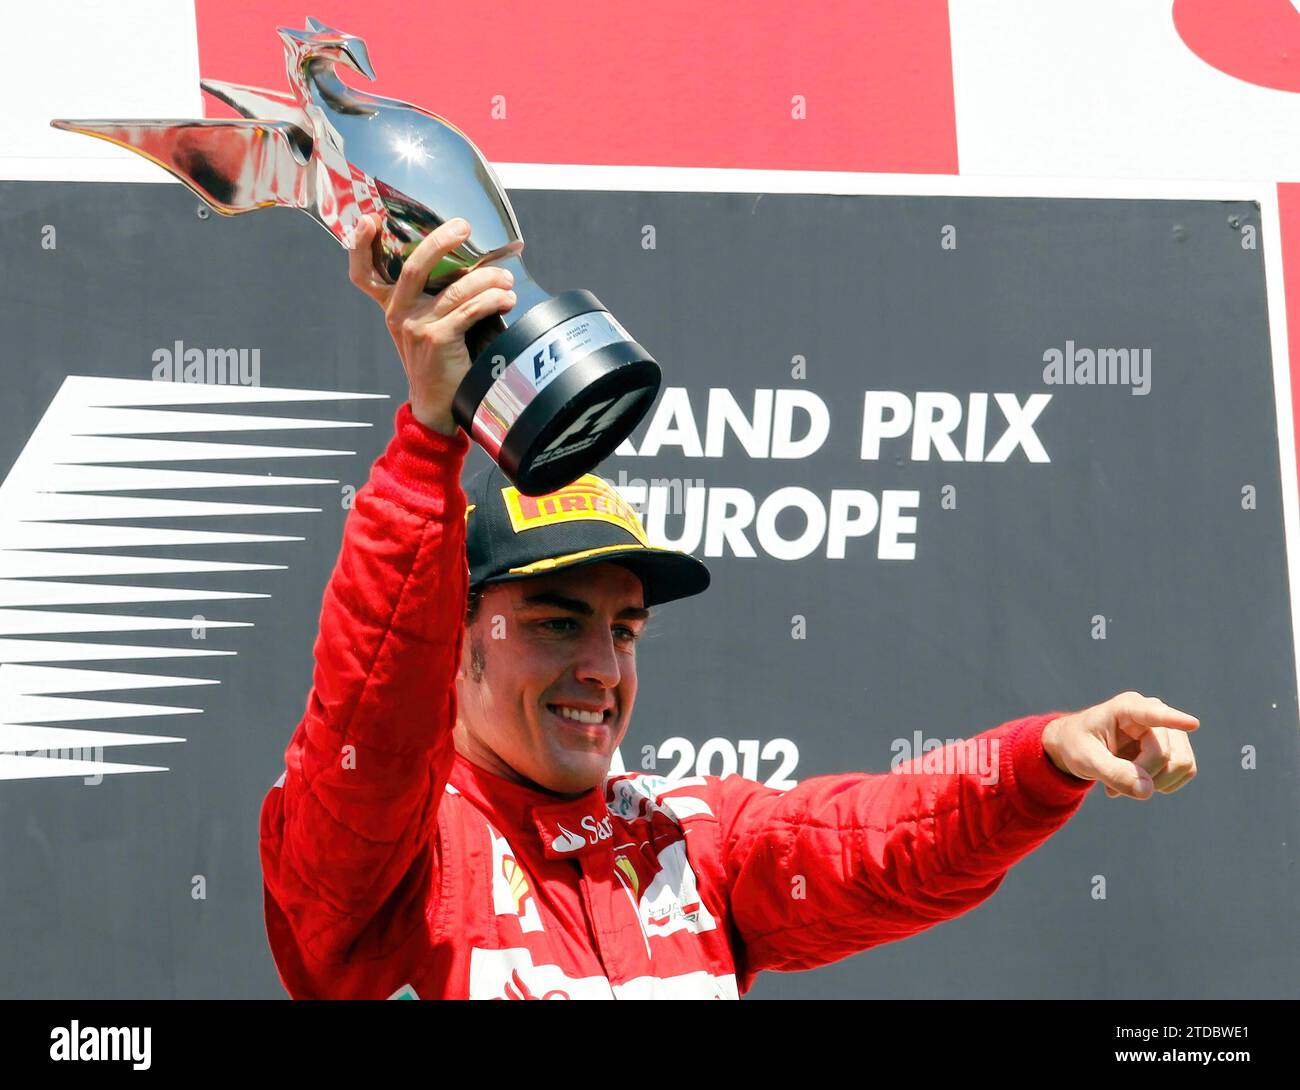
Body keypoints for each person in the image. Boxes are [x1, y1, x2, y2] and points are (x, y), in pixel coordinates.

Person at [258, 214, 1200, 1000]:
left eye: (623, 629)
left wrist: (1037, 762)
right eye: (556, 621)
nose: (600, 665)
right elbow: (371, 717)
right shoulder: (397, 858)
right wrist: (428, 439)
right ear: (456, 639)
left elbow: (881, 840)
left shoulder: (691, 840)